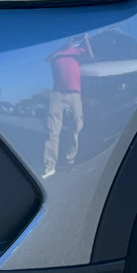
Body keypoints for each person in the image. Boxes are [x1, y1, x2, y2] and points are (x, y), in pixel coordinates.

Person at [43, 35, 89, 179]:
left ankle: (70, 159)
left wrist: (85, 39)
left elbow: (91, 55)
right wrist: (63, 47)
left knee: (76, 126)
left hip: (74, 94)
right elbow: (48, 59)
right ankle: (50, 166)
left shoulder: (78, 51)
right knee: (52, 131)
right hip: (57, 94)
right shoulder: (56, 54)